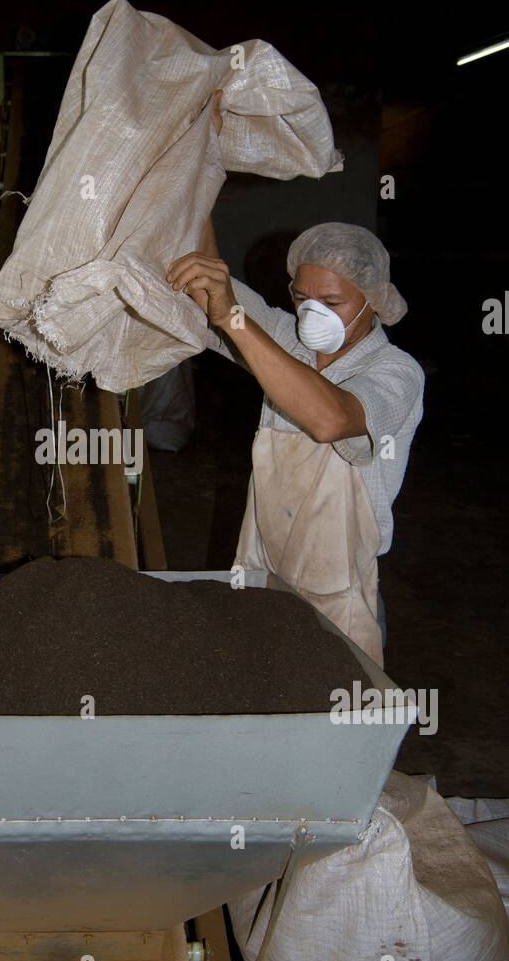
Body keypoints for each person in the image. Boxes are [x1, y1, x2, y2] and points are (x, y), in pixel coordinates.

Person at [165, 101, 424, 665]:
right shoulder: (291, 341)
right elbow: (213, 280)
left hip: (337, 591)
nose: (311, 314)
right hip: (266, 562)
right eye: (301, 299)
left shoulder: (396, 373)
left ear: (372, 302)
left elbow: (329, 418)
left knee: (335, 705)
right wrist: (205, 163)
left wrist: (234, 318)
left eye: (330, 302)